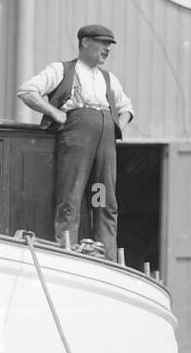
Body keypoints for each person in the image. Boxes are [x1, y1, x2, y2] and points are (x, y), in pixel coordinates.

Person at [17, 23, 134, 261]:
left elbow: (126, 108)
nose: (107, 49)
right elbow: (27, 91)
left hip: (105, 138)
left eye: (109, 45)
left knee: (102, 196)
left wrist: (117, 124)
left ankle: (106, 253)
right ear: (85, 43)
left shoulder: (109, 79)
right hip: (77, 134)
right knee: (71, 193)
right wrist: (54, 112)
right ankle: (67, 251)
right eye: (102, 43)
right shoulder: (62, 70)